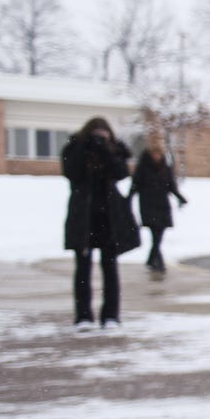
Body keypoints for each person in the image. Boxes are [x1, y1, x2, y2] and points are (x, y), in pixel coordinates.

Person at [61, 116, 136, 331]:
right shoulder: (75, 148)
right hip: (83, 217)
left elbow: (120, 173)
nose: (98, 139)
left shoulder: (114, 150)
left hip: (109, 218)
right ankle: (83, 316)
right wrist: (86, 148)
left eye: (103, 134)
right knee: (82, 269)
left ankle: (111, 315)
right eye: (95, 134)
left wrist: (104, 150)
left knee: (110, 269)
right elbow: (71, 173)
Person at [130, 131, 188, 276]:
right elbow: (135, 185)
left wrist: (180, 197)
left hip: (162, 205)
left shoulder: (165, 168)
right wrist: (128, 199)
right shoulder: (143, 169)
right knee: (155, 234)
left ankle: (152, 259)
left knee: (159, 234)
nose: (157, 157)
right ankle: (158, 262)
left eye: (159, 154)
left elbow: (171, 186)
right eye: (155, 154)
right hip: (148, 204)